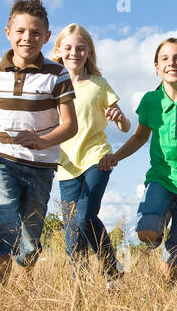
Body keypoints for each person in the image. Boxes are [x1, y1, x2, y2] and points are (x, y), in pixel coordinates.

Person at [0, 0, 76, 287]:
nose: (27, 38)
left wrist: (41, 139)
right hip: (0, 158)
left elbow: (70, 125)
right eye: (21, 31)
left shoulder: (57, 75)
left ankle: (22, 295)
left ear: (47, 38)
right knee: (4, 220)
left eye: (36, 33)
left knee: (30, 238)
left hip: (40, 166)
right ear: (8, 32)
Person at [98, 37, 177, 286]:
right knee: (148, 232)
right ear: (156, 67)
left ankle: (165, 292)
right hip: (161, 178)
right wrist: (116, 156)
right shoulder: (150, 101)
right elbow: (140, 136)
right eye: (165, 59)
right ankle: (160, 218)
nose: (171, 63)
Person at [51, 24, 128, 280]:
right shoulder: (52, 85)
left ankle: (111, 269)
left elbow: (126, 126)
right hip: (65, 166)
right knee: (72, 233)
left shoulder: (98, 84)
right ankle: (79, 289)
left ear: (88, 52)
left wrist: (119, 117)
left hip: (97, 159)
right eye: (69, 47)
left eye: (81, 48)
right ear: (59, 50)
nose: (74, 52)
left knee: (85, 216)